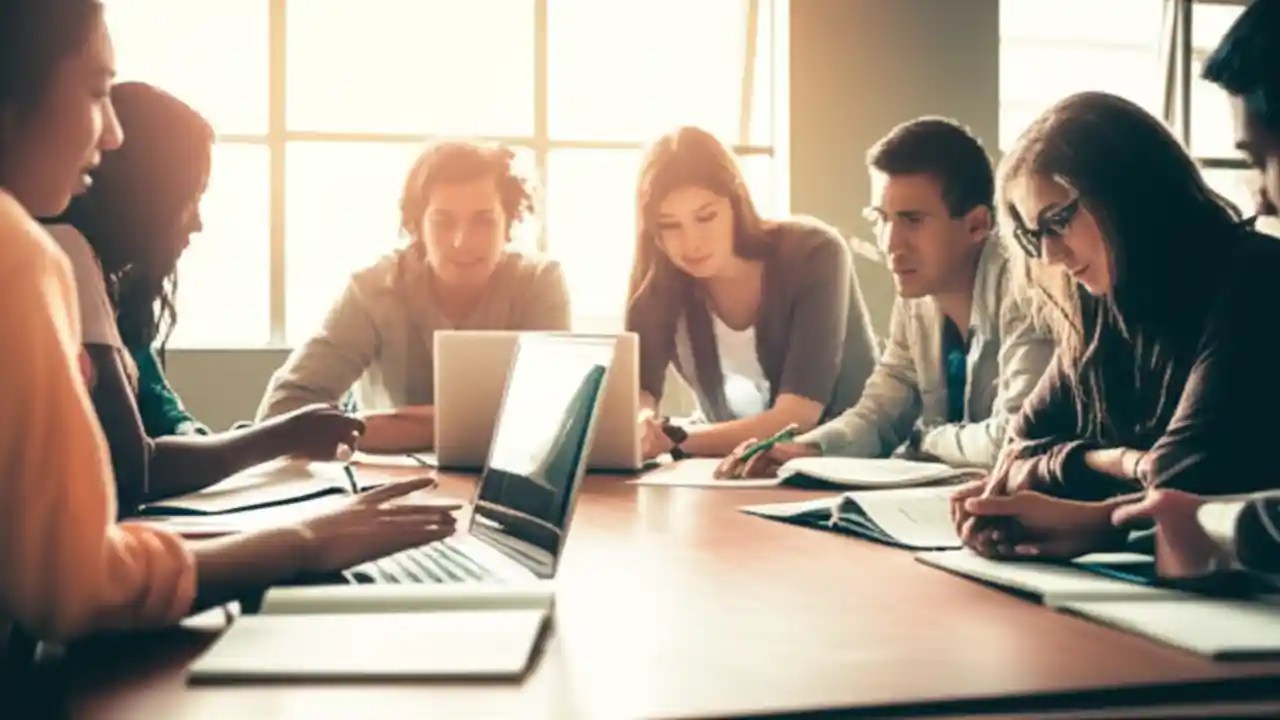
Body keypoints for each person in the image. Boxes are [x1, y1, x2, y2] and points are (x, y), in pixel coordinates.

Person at [0, 0, 457, 654]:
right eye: (97, 92)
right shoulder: (26, 254)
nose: (113, 133)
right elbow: (78, 579)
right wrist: (304, 541)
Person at [952, 91, 1280, 560]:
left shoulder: (1255, 280)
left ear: (1131, 193)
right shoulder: (1103, 307)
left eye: (1058, 221)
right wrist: (1118, 461)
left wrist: (1085, 515)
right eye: (1032, 235)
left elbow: (1180, 483)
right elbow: (1016, 452)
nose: (1049, 256)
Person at [45, 82, 361, 513]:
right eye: (190, 196)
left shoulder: (108, 284)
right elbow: (134, 469)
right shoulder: (67, 249)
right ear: (146, 194)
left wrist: (232, 442)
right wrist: (282, 436)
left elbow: (159, 419)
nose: (197, 223)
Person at [717, 117, 1052, 478]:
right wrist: (806, 449)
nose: (890, 243)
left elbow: (1013, 439)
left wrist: (927, 440)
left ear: (977, 225)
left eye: (912, 220)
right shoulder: (917, 294)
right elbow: (880, 413)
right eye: (881, 219)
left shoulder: (1028, 289)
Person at [1104, 0, 1280, 579]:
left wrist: (1204, 522)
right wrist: (1107, 522)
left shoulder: (1255, 272)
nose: (1261, 196)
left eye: (1265, 158)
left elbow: (1181, 470)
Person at [257, 141, 571, 452]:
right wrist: (485, 424)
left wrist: (387, 427)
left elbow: (556, 417)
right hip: (386, 477)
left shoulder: (538, 283)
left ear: (509, 223)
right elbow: (280, 413)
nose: (462, 241)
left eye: (483, 221)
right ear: (417, 225)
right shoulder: (374, 289)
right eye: (443, 222)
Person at [628, 126, 878, 460]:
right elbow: (640, 393)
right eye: (669, 225)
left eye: (706, 216)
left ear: (736, 201)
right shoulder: (657, 285)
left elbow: (798, 417)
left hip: (840, 463)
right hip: (731, 467)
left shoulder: (814, 252)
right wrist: (642, 424)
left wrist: (674, 440)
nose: (692, 242)